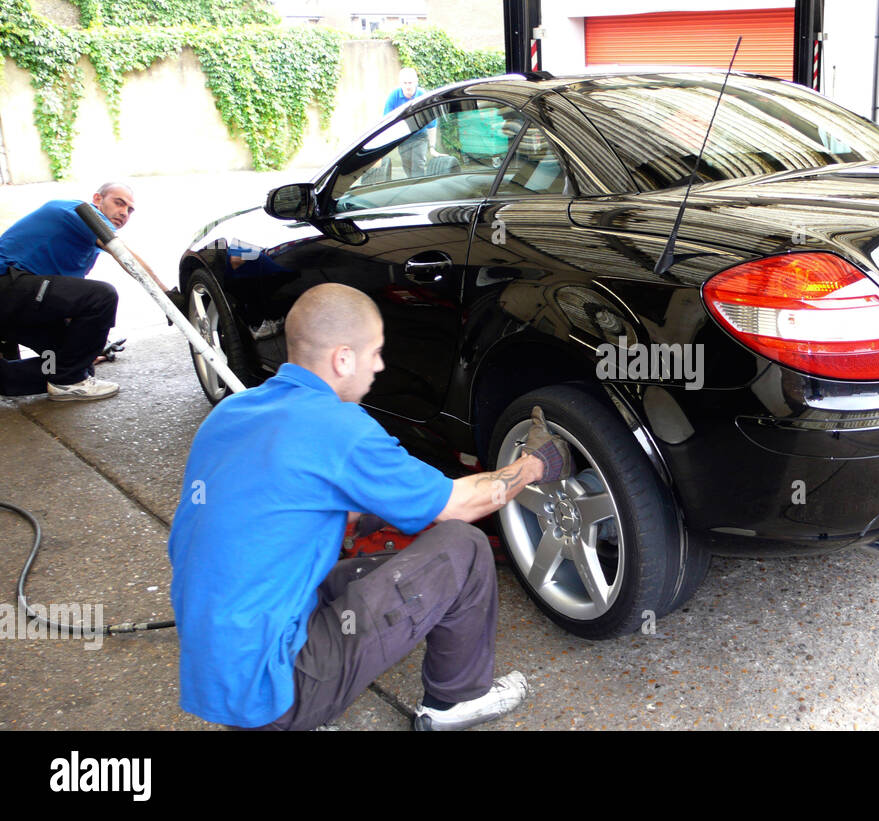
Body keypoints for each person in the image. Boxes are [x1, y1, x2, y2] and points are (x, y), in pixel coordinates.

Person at [167, 283, 573, 731]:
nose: (380, 366)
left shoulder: (231, 412)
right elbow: (458, 505)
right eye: (375, 353)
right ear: (343, 358)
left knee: (361, 557)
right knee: (465, 545)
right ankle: (455, 703)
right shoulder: (339, 427)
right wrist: (536, 464)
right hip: (274, 692)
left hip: (215, 669)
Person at [0, 181, 150, 401]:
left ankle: (28, 379)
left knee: (71, 363)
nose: (124, 213)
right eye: (119, 203)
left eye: (129, 210)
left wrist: (86, 346)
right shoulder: (76, 211)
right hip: (9, 286)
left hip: (24, 302)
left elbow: (67, 307)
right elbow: (127, 258)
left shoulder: (84, 248)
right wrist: (170, 295)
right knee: (102, 296)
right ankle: (68, 382)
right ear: (97, 199)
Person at [384, 67, 431, 177]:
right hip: (403, 136)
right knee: (407, 165)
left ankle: (418, 189)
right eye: (405, 83)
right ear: (400, 83)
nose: (408, 86)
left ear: (416, 82)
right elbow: (387, 120)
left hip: (420, 135)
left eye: (410, 83)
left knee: (417, 165)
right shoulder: (394, 96)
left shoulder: (423, 95)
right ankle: (410, 186)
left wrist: (432, 147)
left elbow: (432, 123)